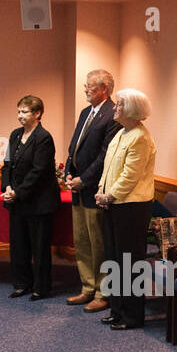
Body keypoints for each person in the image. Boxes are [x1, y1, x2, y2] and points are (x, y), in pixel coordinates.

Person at [94, 88, 156, 330]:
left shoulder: (140, 137)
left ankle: (131, 316)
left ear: (131, 110)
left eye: (119, 105)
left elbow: (131, 176)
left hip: (132, 207)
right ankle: (117, 310)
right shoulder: (122, 133)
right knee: (114, 260)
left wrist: (110, 195)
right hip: (114, 203)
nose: (115, 108)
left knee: (129, 263)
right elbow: (109, 168)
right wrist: (102, 191)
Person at [63, 70, 119, 312]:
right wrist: (68, 171)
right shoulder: (87, 112)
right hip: (77, 188)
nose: (85, 90)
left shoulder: (112, 114)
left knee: (98, 243)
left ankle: (102, 291)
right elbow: (74, 147)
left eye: (90, 87)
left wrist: (83, 180)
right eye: (85, 86)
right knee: (82, 241)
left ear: (104, 89)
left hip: (94, 189)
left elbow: (104, 155)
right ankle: (87, 287)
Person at [2, 95, 59, 300]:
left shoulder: (43, 137)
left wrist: (17, 192)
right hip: (18, 201)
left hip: (39, 202)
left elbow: (39, 171)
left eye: (24, 112)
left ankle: (41, 287)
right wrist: (7, 186)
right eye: (18, 111)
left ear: (37, 114)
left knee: (39, 247)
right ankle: (21, 284)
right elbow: (7, 164)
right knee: (18, 245)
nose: (20, 116)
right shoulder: (15, 135)